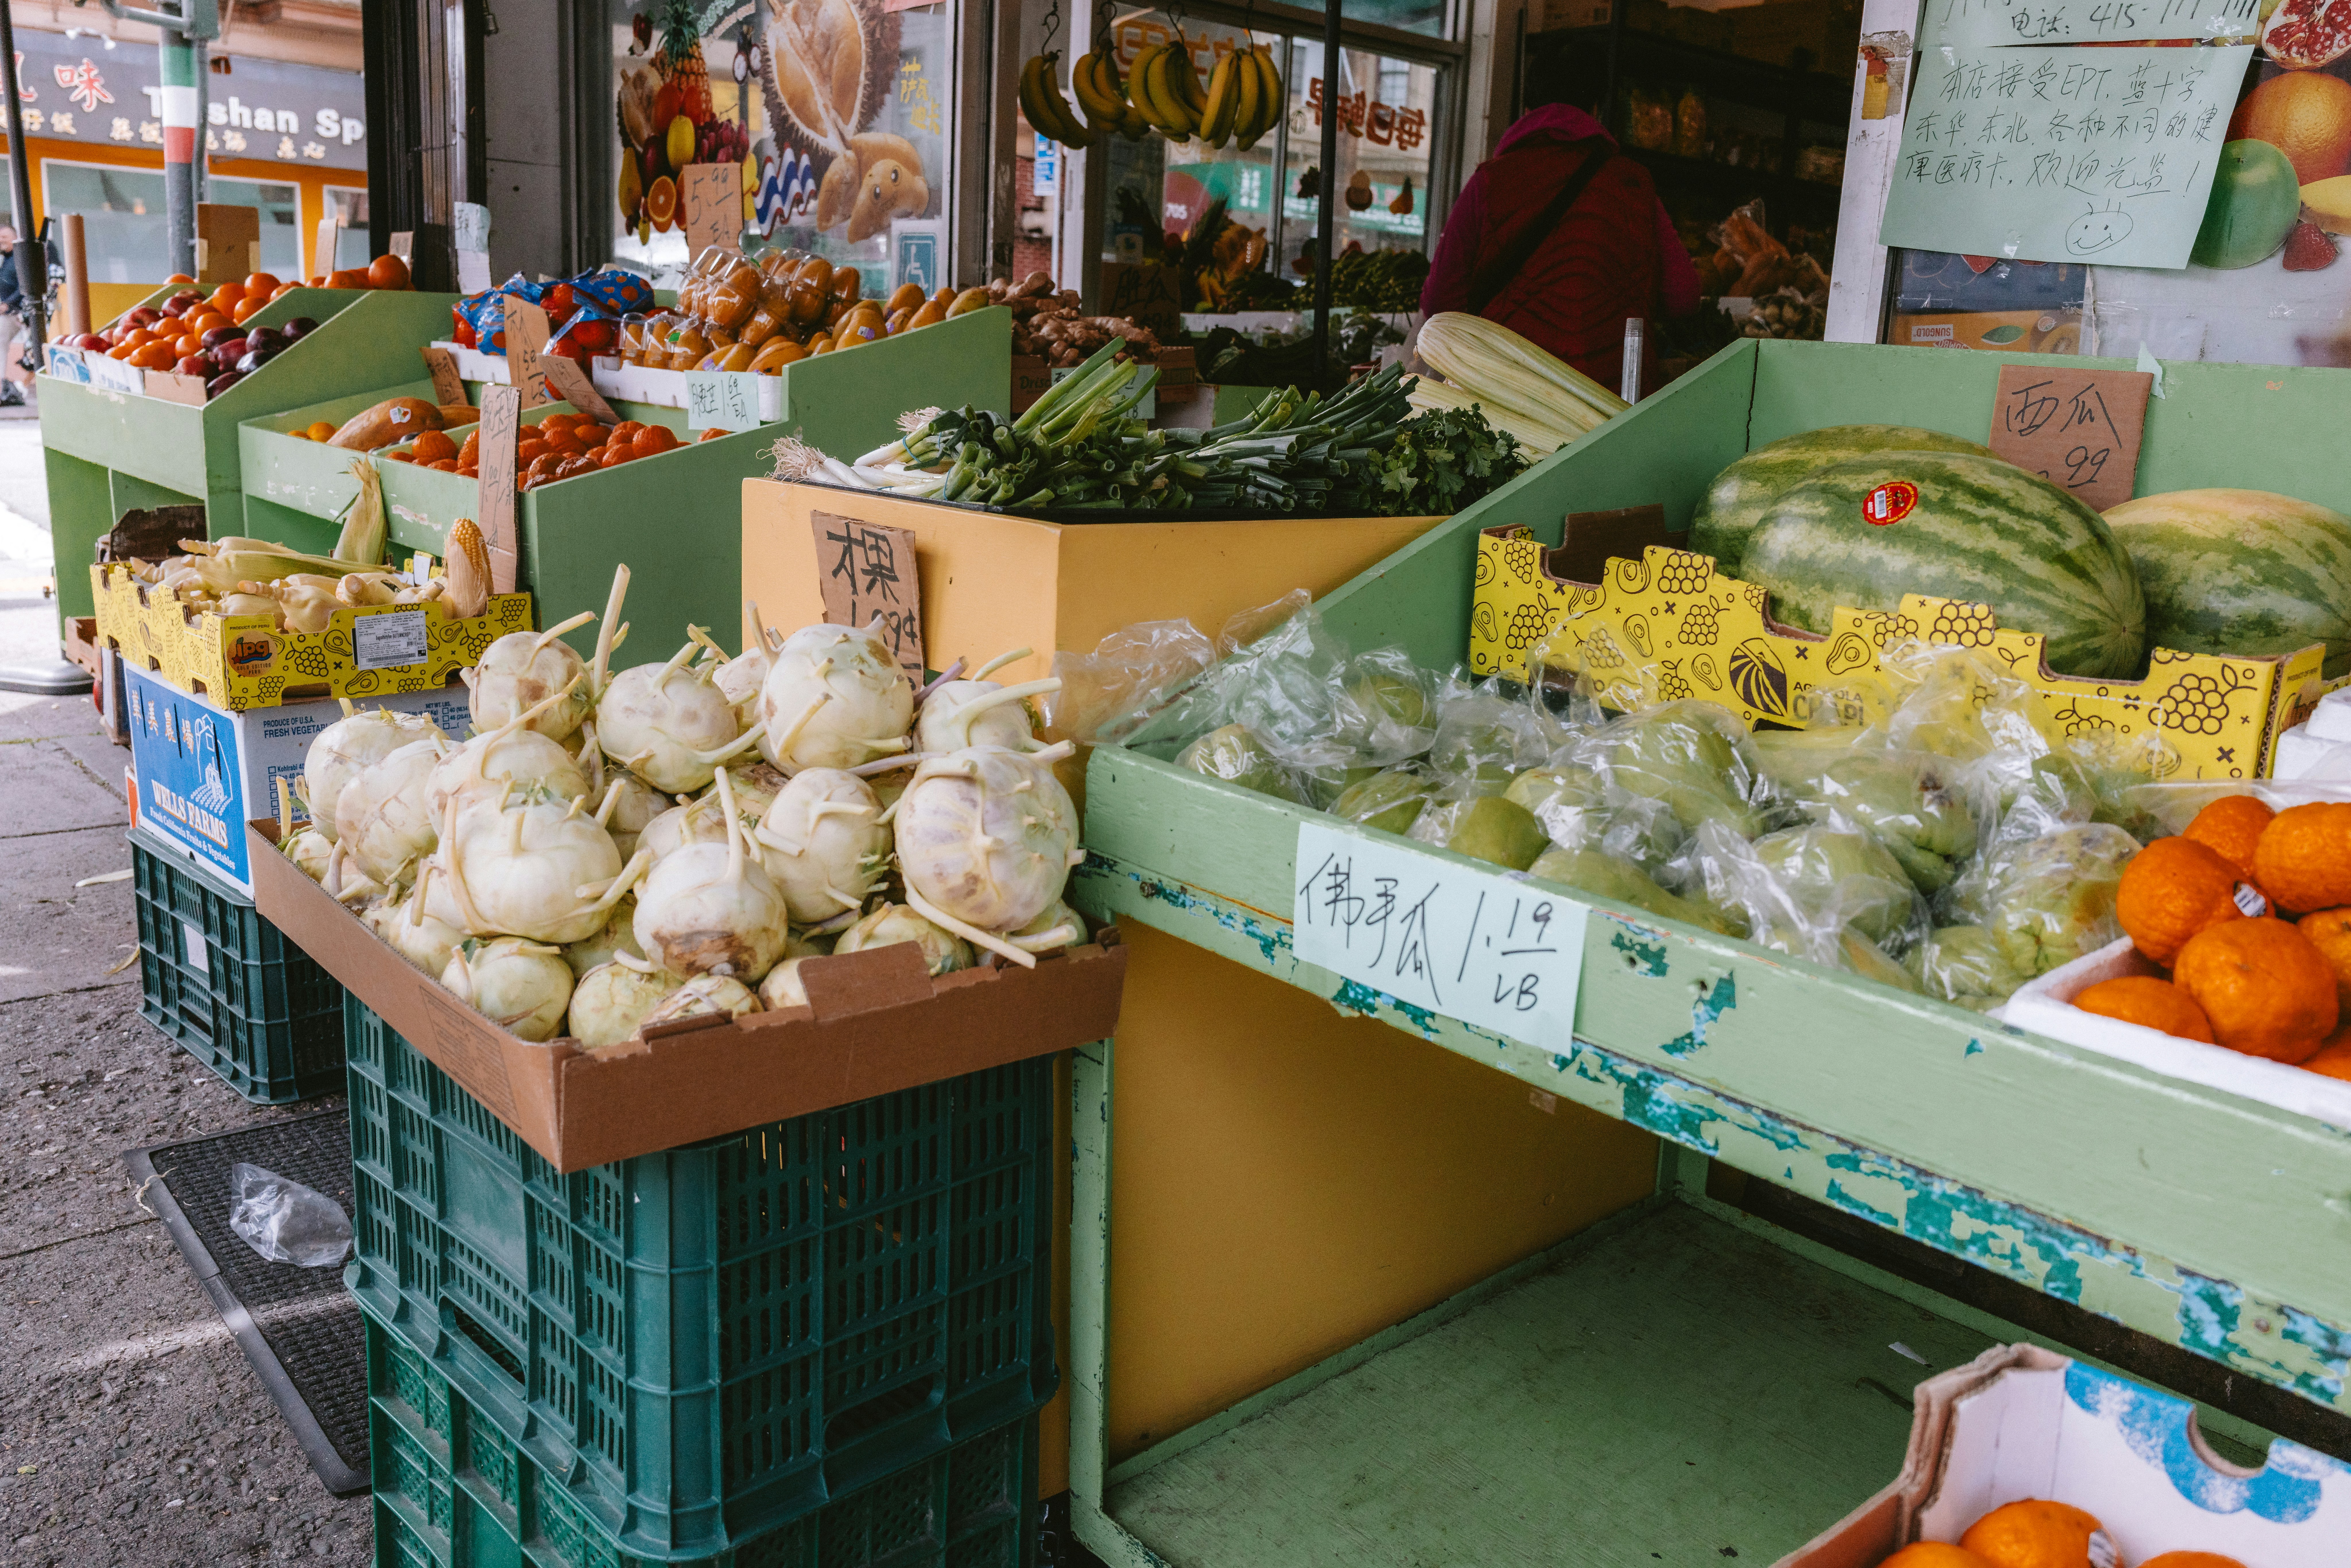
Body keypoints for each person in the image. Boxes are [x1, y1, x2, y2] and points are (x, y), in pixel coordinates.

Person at [1420, 103, 1699, 394]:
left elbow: (1439, 303)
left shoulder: (1489, 180)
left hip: (1509, 394)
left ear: (1527, 109)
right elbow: (1684, 297)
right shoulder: (1634, 183)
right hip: (1617, 399)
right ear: (1594, 109)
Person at [0, 226, 30, 407]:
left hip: (18, 313)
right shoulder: (5, 260)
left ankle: (2, 386)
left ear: (15, 238)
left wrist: (7, 305)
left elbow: (24, 286)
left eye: (4, 237)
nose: (1, 240)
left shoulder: (21, 259)